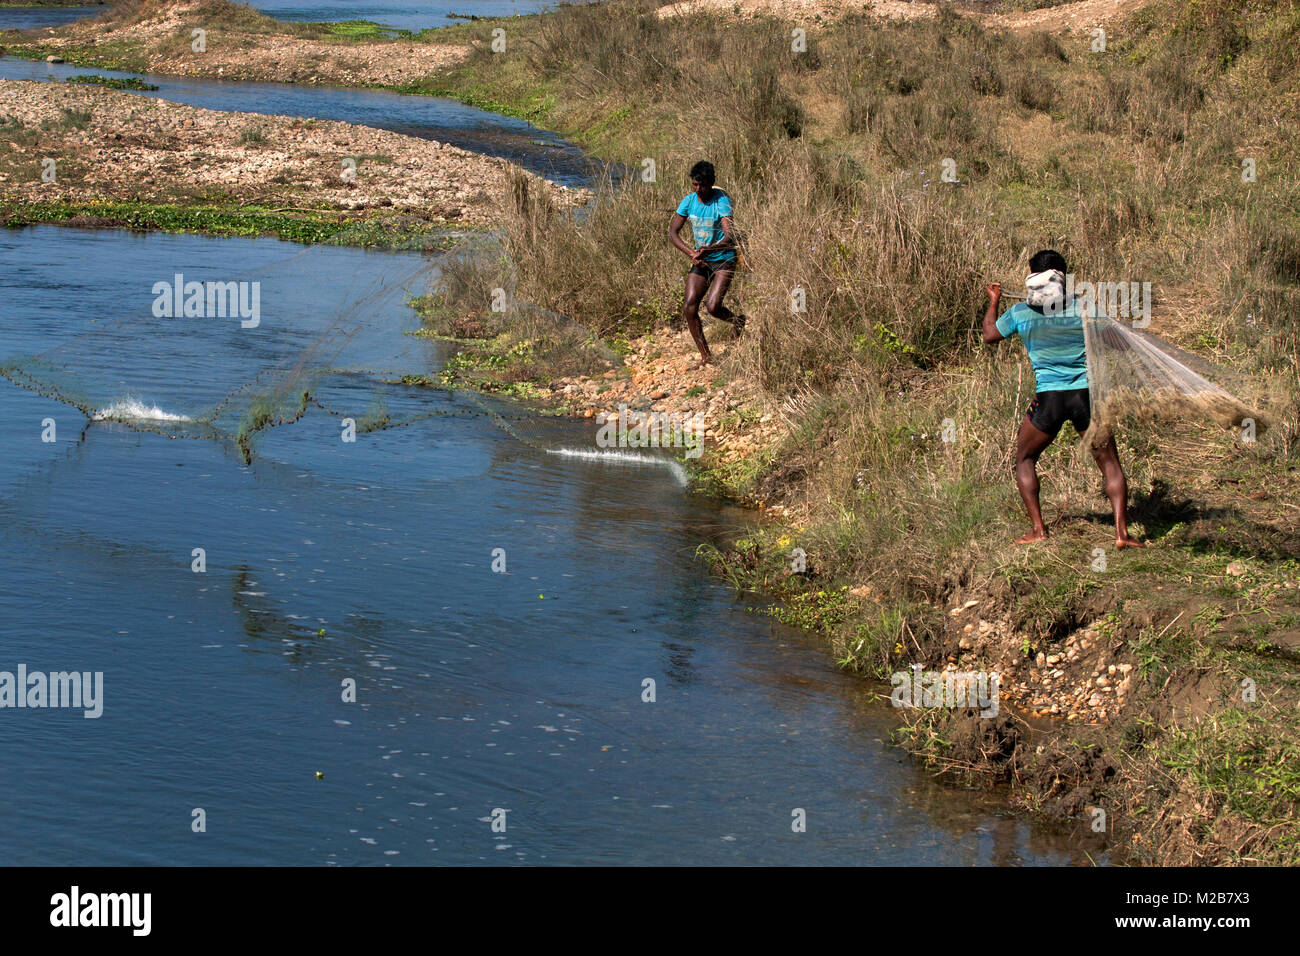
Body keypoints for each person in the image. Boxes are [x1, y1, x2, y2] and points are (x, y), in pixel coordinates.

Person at [982, 249, 1143, 548]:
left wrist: (994, 301)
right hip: (1085, 399)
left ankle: (1038, 530)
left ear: (1032, 275)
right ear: (1063, 278)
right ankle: (1121, 533)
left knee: (1025, 459)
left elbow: (990, 335)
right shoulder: (1083, 307)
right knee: (1110, 464)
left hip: (1049, 400)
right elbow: (1117, 340)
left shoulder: (1020, 312)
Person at [668, 160, 745, 366]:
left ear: (711, 183)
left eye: (702, 185)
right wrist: (691, 253)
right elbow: (673, 232)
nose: (698, 189)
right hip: (701, 260)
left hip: (723, 259)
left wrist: (708, 250)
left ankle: (737, 321)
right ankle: (706, 357)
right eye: (695, 185)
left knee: (712, 307)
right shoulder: (689, 201)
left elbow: (730, 236)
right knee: (689, 307)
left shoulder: (721, 202)